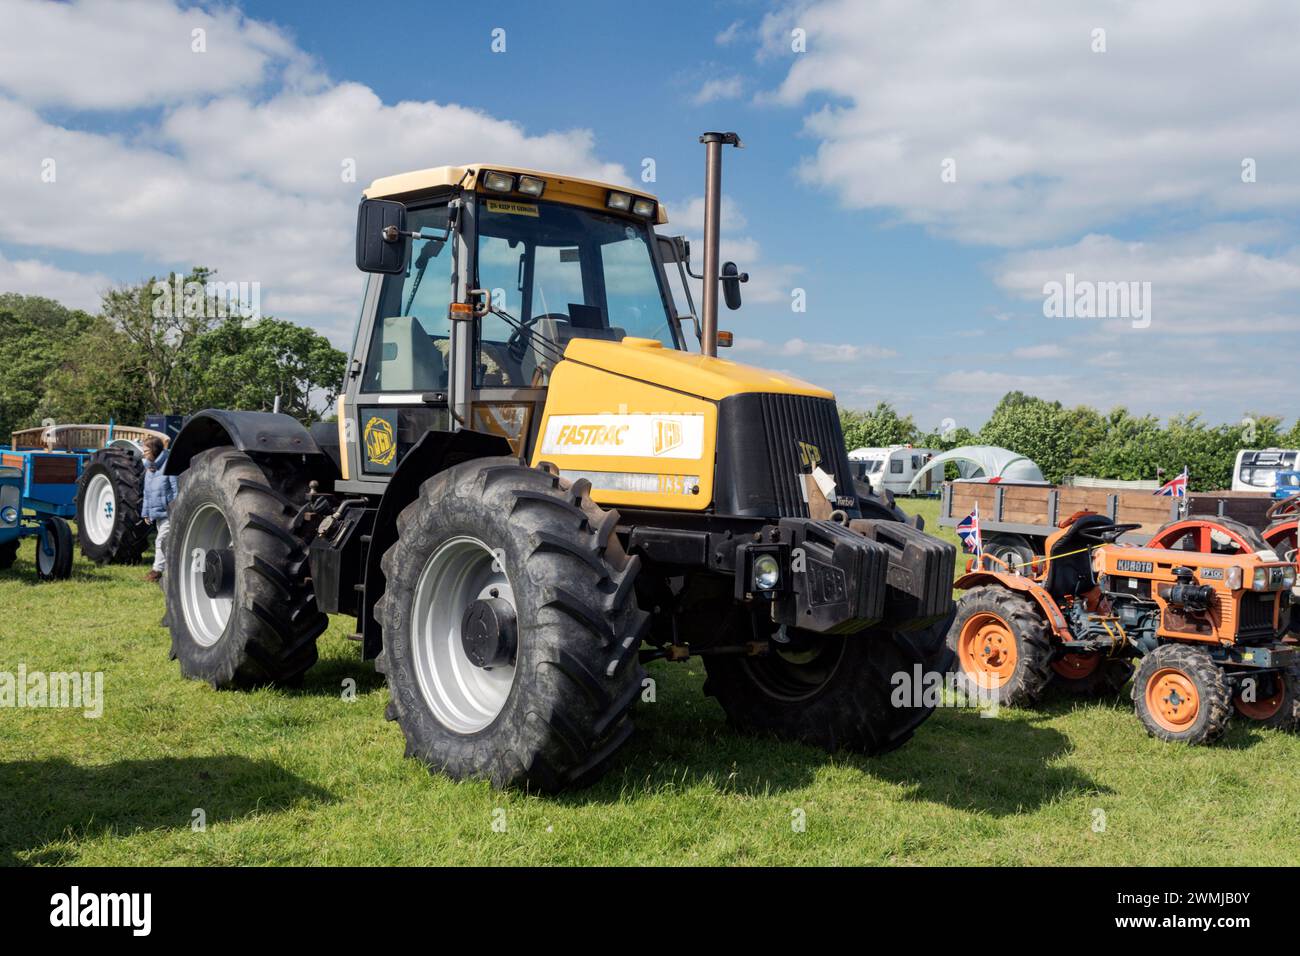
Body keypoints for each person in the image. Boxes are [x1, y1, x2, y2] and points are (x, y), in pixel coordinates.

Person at [141, 437, 178, 583]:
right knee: (166, 542)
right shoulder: (149, 469)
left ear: (154, 450)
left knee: (160, 540)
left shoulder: (169, 466)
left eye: (146, 451)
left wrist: (176, 510)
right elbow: (146, 493)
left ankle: (157, 571)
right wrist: (146, 512)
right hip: (157, 513)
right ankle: (171, 570)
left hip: (168, 512)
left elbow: (176, 490)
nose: (143, 454)